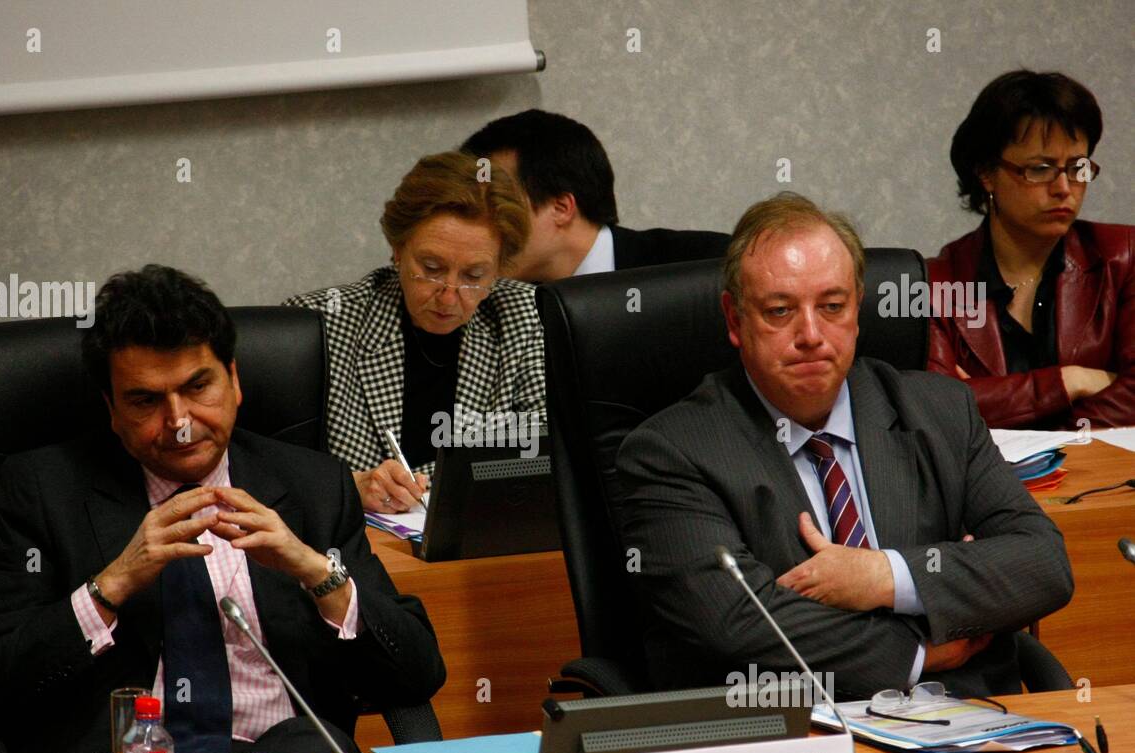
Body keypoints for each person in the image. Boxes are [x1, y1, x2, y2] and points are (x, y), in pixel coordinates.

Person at [0, 265, 446, 753]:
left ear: (234, 380)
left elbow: (417, 674)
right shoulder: (40, 490)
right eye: (146, 400)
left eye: (198, 387)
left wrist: (315, 571)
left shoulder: (313, 485)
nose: (180, 421)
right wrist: (110, 587)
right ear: (111, 408)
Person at [618, 193, 1074, 700]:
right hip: (787, 741)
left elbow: (1043, 563)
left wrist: (884, 576)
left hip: (969, 716)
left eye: (832, 307)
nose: (811, 334)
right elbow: (740, 620)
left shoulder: (940, 411)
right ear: (734, 319)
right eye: (779, 311)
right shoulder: (670, 451)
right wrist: (918, 653)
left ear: (857, 308)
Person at [285, 151, 544, 514]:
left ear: (499, 271)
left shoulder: (528, 318)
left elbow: (549, 459)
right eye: (432, 268)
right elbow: (271, 473)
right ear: (397, 249)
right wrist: (350, 486)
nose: (449, 295)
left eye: (474, 276)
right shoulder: (320, 325)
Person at [927, 69, 1135, 429]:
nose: (1063, 188)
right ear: (986, 173)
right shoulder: (935, 285)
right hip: (981, 484)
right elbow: (936, 410)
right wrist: (1071, 381)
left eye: (1077, 168)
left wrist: (997, 404)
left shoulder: (1124, 257)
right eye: (1040, 169)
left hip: (1102, 478)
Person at [461, 109, 730, 283]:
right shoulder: (492, 301)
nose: (479, 226)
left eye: (496, 204)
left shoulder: (706, 269)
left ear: (561, 207)